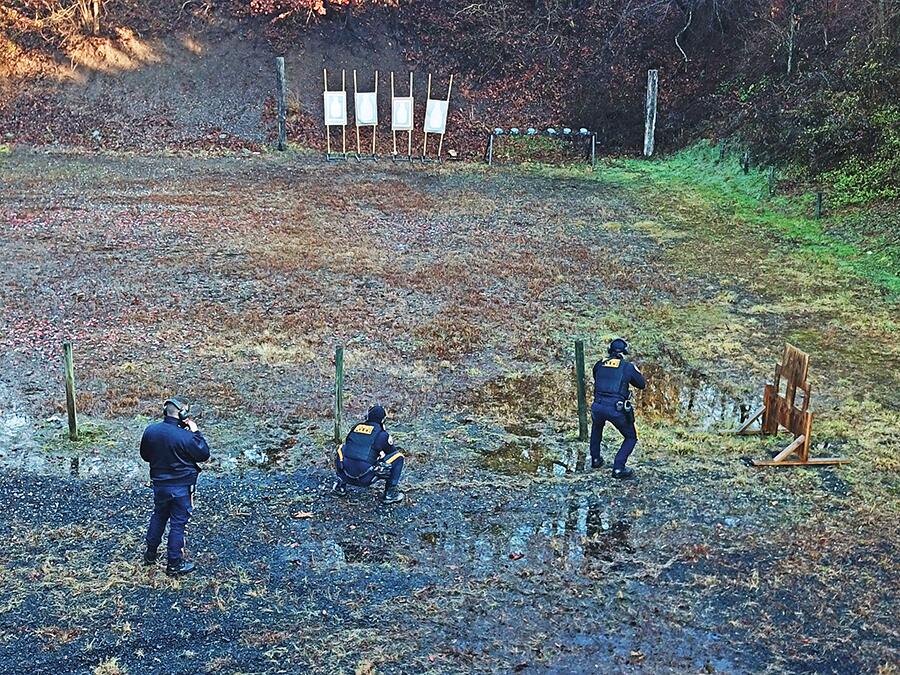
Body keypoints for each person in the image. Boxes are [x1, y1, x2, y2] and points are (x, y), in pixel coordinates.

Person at [140, 398, 210, 576]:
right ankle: (174, 564)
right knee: (178, 524)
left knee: (159, 515)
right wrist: (196, 431)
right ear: (182, 414)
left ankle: (150, 555)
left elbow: (145, 455)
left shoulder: (151, 431)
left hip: (160, 485)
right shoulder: (187, 437)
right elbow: (203, 454)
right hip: (181, 488)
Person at [589, 338, 646, 479]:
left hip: (598, 405)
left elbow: (597, 377)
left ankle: (595, 460)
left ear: (610, 350)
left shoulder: (599, 363)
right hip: (616, 408)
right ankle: (619, 468)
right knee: (631, 437)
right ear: (624, 352)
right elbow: (641, 384)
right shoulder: (627, 366)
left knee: (597, 428)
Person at [332, 405, 405, 505]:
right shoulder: (382, 435)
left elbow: (349, 447)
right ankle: (390, 493)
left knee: (343, 448)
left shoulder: (356, 427)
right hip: (365, 478)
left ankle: (340, 485)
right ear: (383, 420)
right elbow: (391, 452)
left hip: (344, 474)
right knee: (398, 457)